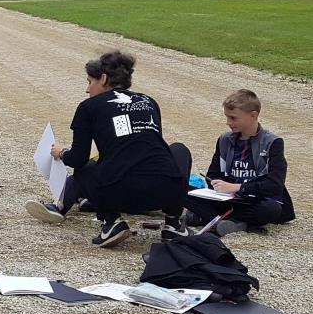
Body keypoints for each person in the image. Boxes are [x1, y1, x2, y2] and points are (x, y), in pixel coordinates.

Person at [24, 50, 189, 247]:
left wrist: (62, 152)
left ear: (102, 78)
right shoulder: (149, 102)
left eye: (89, 82)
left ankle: (112, 222)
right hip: (164, 193)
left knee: (87, 166)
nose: (87, 89)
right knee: (179, 150)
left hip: (121, 194)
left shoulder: (89, 107)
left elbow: (78, 159)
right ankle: (172, 223)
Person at [183, 89, 294, 236]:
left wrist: (237, 187)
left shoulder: (272, 142)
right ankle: (229, 222)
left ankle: (210, 218)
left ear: (253, 115)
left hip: (255, 200)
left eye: (233, 118)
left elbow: (274, 185)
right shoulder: (224, 140)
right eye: (227, 117)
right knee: (182, 190)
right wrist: (216, 184)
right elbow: (213, 174)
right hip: (228, 199)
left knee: (270, 209)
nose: (228, 122)